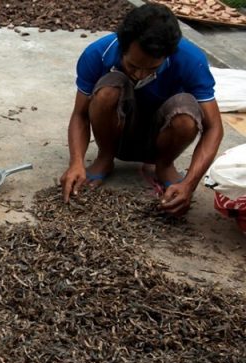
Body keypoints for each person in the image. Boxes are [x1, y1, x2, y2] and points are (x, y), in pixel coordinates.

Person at [59, 3, 224, 216]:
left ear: (169, 54)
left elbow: (214, 128)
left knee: (186, 111)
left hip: (162, 138)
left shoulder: (191, 59)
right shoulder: (98, 53)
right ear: (122, 46)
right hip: (117, 133)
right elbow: (80, 114)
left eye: (152, 68)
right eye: (133, 65)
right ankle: (105, 158)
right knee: (108, 89)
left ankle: (164, 165)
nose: (140, 74)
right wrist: (76, 162)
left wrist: (190, 183)